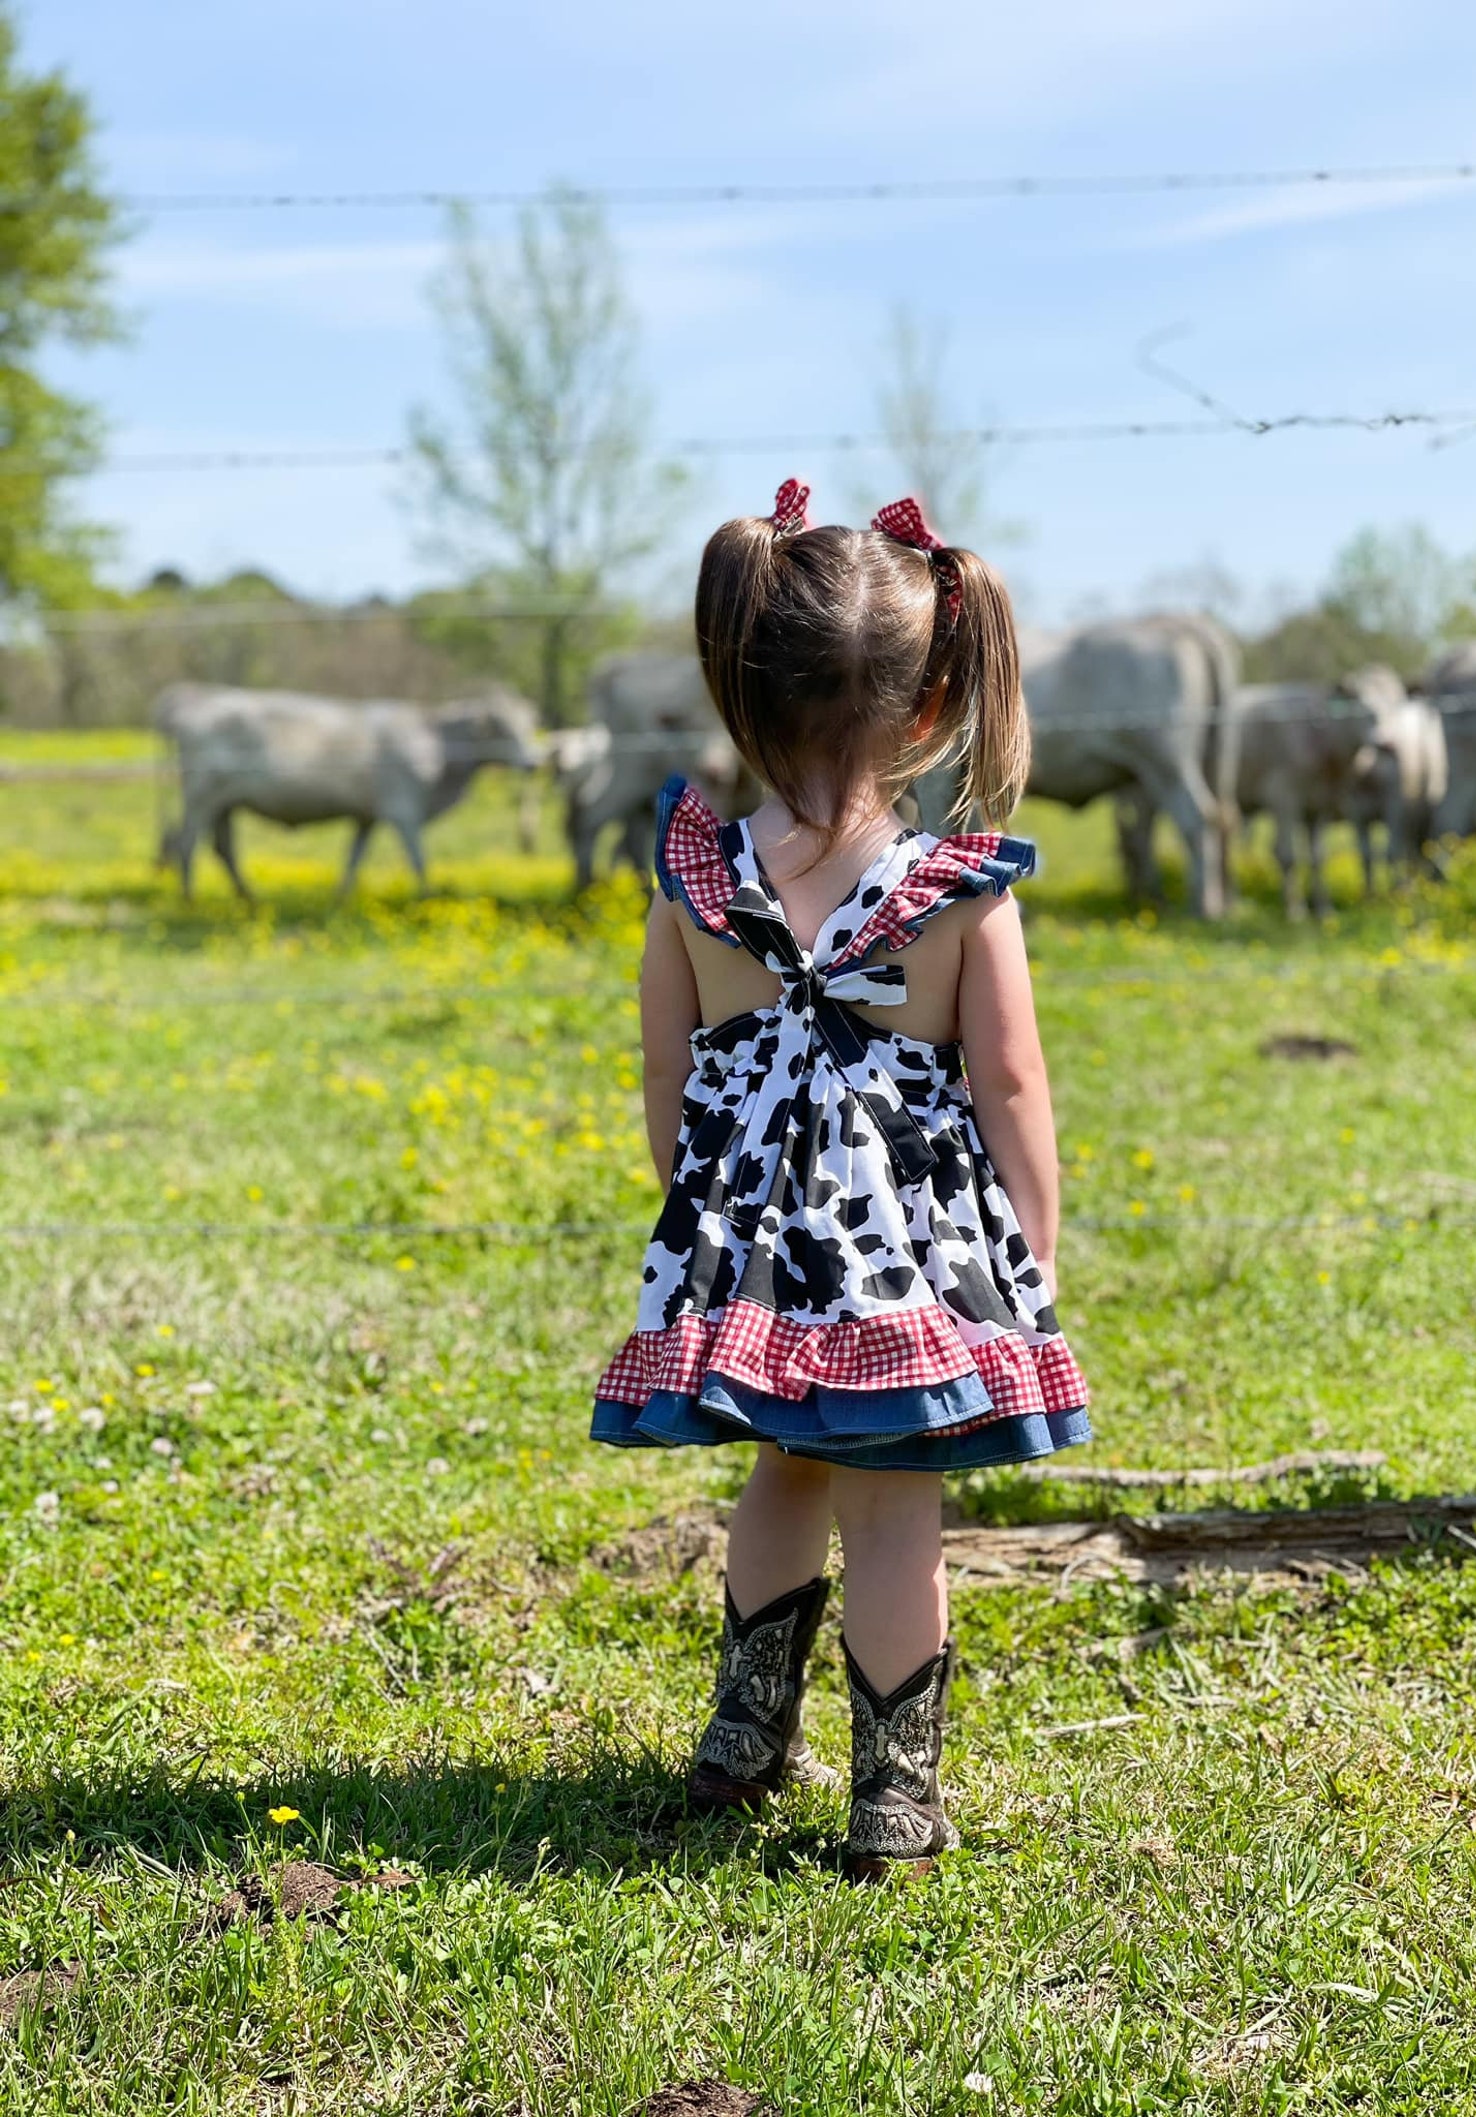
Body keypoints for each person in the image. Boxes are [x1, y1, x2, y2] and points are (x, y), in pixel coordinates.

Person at [592, 481, 1090, 1878]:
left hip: (751, 1250)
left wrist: (705, 1223)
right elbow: (1012, 1087)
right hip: (909, 1264)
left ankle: (743, 1736)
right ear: (931, 706)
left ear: (742, 682)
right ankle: (893, 1796)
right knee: (898, 1507)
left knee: (783, 1473)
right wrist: (1029, 1257)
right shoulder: (958, 890)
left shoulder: (695, 880)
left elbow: (667, 1074)